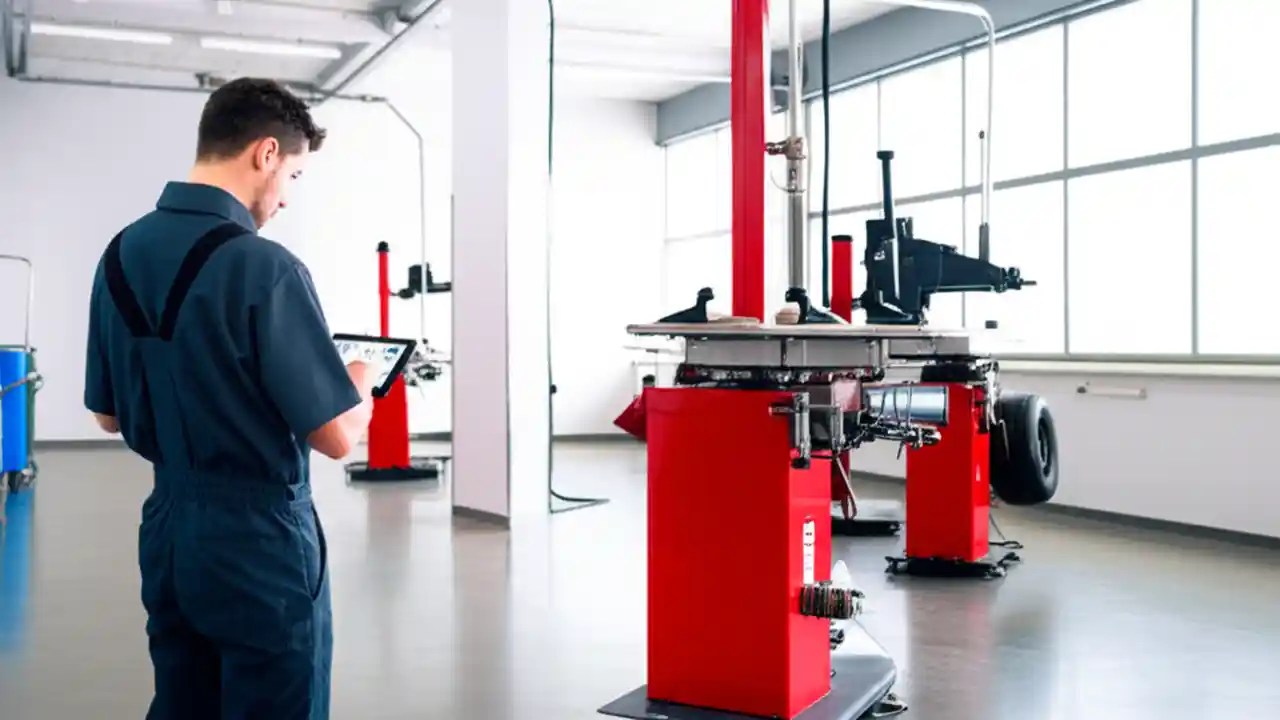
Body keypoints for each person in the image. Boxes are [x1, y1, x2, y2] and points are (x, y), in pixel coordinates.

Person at [83, 77, 375, 719]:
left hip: (168, 530)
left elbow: (106, 414)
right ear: (266, 153)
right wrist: (359, 379)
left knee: (184, 701)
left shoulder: (119, 255)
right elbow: (335, 436)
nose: (288, 196)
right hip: (261, 539)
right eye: (295, 175)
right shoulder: (265, 267)